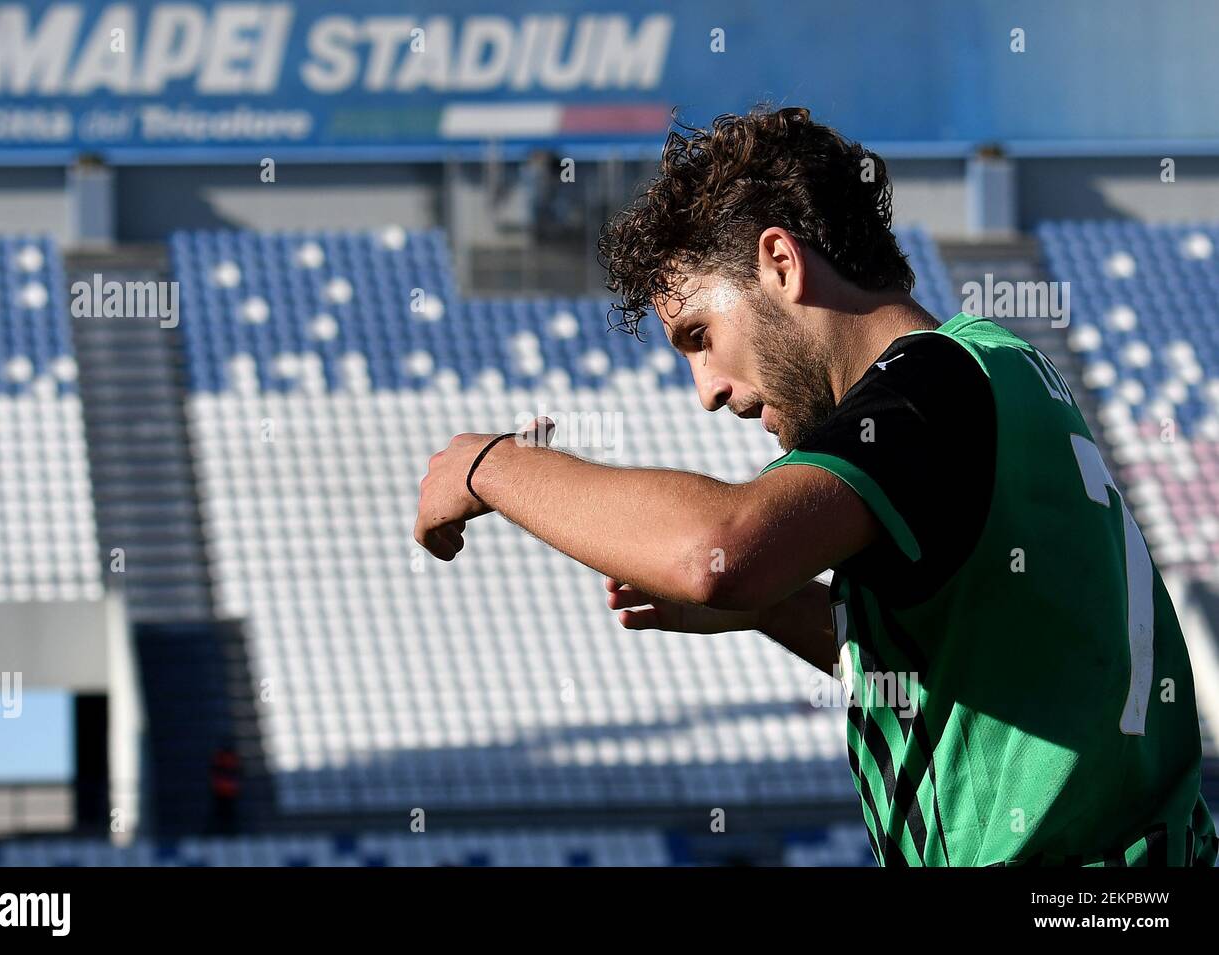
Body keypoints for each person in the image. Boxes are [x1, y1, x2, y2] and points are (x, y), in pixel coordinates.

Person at [414, 106, 1215, 866]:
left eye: (699, 335)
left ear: (781, 262)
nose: (707, 390)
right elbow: (970, 682)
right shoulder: (993, 371)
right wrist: (772, 613)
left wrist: (490, 464)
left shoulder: (928, 384)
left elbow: (718, 552)